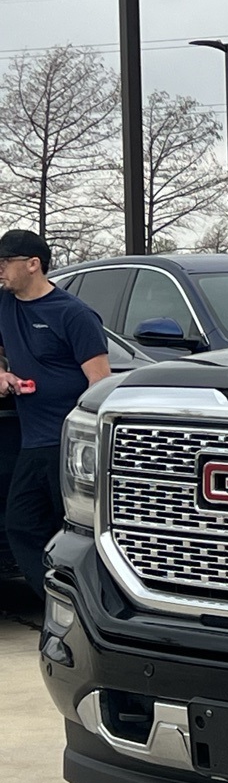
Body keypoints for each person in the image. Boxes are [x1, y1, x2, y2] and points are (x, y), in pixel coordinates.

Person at [0, 229, 110, 598]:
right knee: (22, 525)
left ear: (33, 264)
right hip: (32, 442)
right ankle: (56, 601)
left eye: (5, 262)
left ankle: (90, 604)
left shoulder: (73, 314)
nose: (0, 270)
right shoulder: (4, 304)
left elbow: (100, 382)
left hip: (67, 444)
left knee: (76, 534)